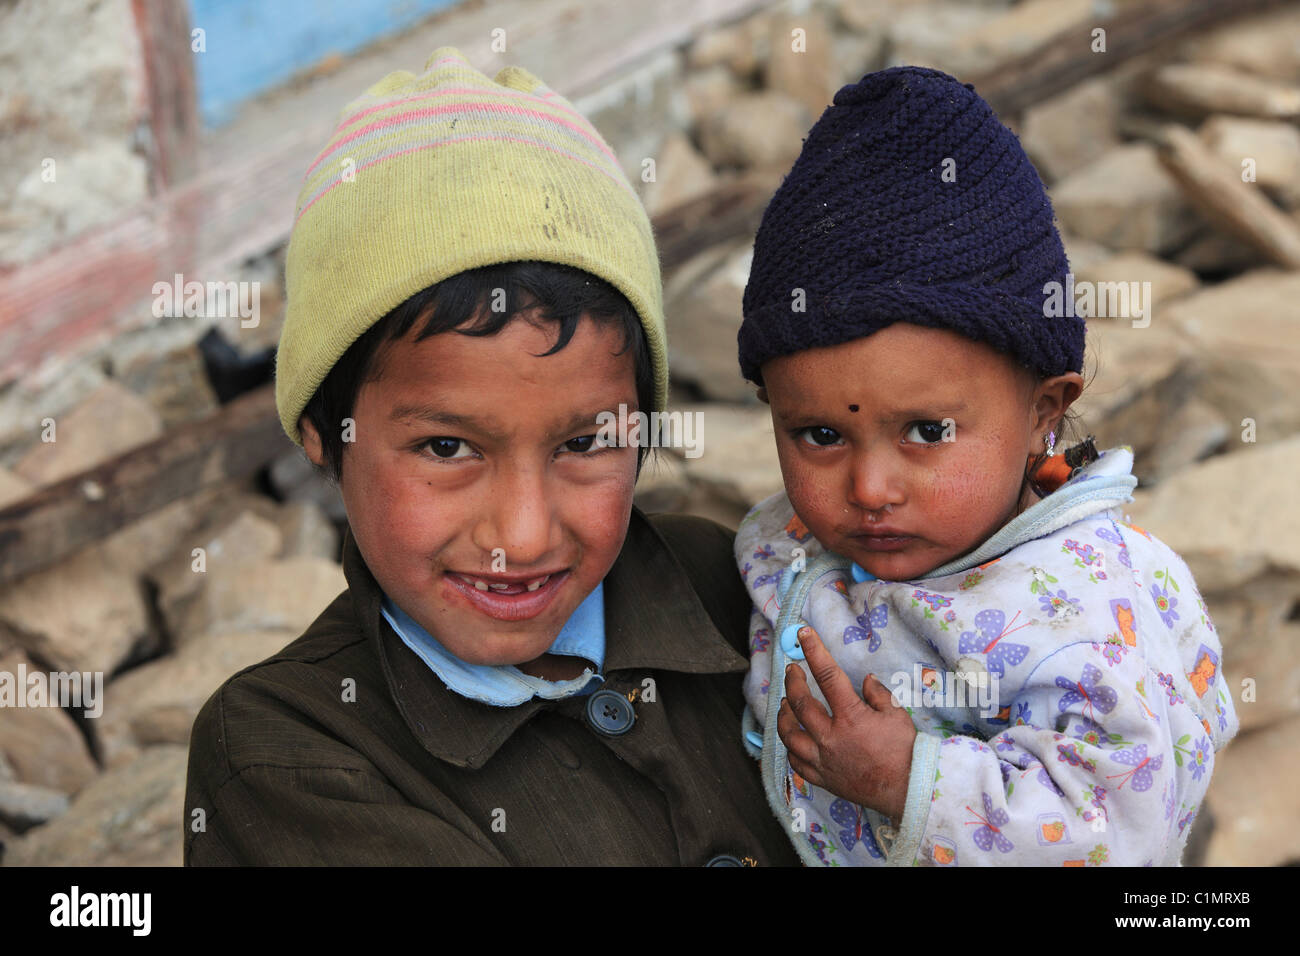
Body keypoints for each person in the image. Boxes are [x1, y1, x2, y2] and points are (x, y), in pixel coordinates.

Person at [183, 47, 799, 866]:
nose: (525, 533)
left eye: (584, 444)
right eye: (447, 447)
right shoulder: (289, 754)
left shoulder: (736, 585)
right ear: (323, 439)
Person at [733, 66, 1238, 867]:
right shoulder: (798, 545)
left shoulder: (1081, 609)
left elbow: (1121, 829)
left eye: (927, 430)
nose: (869, 489)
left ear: (1044, 410)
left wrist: (912, 783)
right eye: (819, 435)